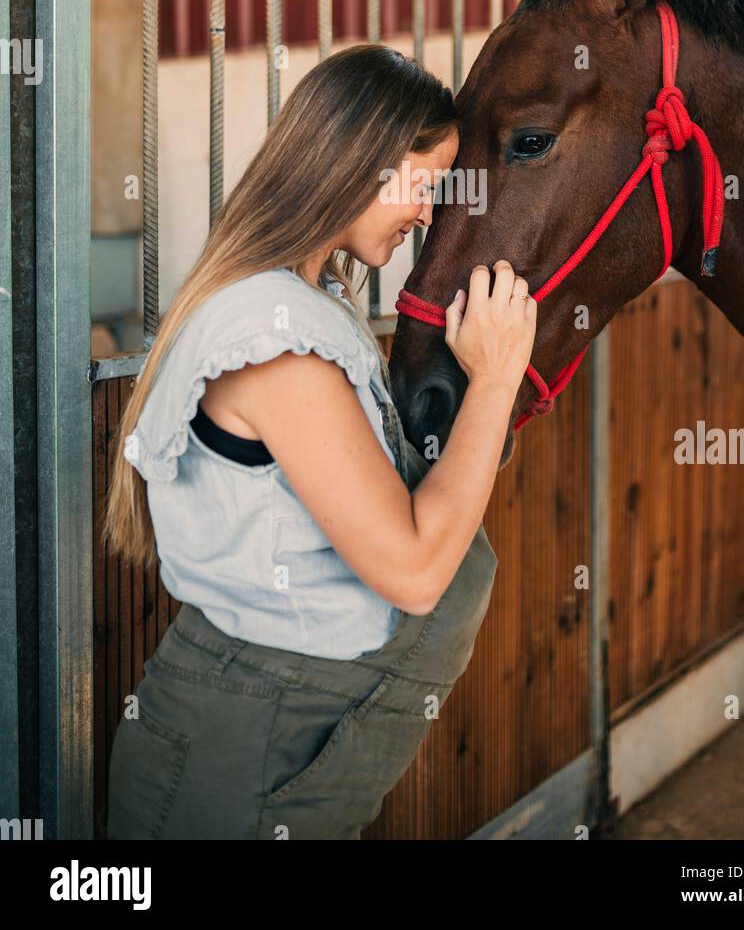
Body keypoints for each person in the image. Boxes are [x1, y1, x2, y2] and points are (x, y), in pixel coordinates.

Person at [105, 43, 536, 840]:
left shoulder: (313, 306)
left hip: (281, 736)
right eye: (425, 184)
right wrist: (497, 377)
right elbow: (412, 571)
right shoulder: (278, 342)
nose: (426, 214)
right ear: (362, 159)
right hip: (240, 754)